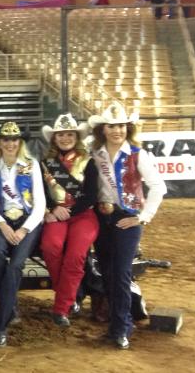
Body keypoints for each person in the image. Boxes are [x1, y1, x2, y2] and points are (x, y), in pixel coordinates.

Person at [89, 102, 166, 349]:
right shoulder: (95, 154)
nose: (116, 131)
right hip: (102, 218)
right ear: (103, 128)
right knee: (108, 273)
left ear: (127, 127)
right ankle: (117, 324)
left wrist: (144, 216)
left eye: (121, 125)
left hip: (128, 219)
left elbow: (158, 187)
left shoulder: (137, 154)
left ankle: (122, 327)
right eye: (111, 126)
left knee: (121, 273)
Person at [0, 122, 46, 348]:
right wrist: (1, 224)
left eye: (14, 140)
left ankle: (0, 326)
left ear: (19, 142)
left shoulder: (31, 165)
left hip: (28, 222)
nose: (10, 144)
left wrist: (23, 229)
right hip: (3, 221)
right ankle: (10, 307)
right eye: (5, 140)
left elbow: (40, 204)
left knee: (16, 266)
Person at [39, 114, 99, 327]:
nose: (65, 138)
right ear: (54, 139)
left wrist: (68, 212)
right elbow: (41, 192)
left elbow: (92, 195)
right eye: (61, 135)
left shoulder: (89, 162)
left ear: (77, 137)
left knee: (75, 256)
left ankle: (62, 307)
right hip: (56, 214)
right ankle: (72, 294)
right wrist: (53, 208)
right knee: (50, 247)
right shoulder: (45, 163)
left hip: (83, 216)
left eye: (69, 134)